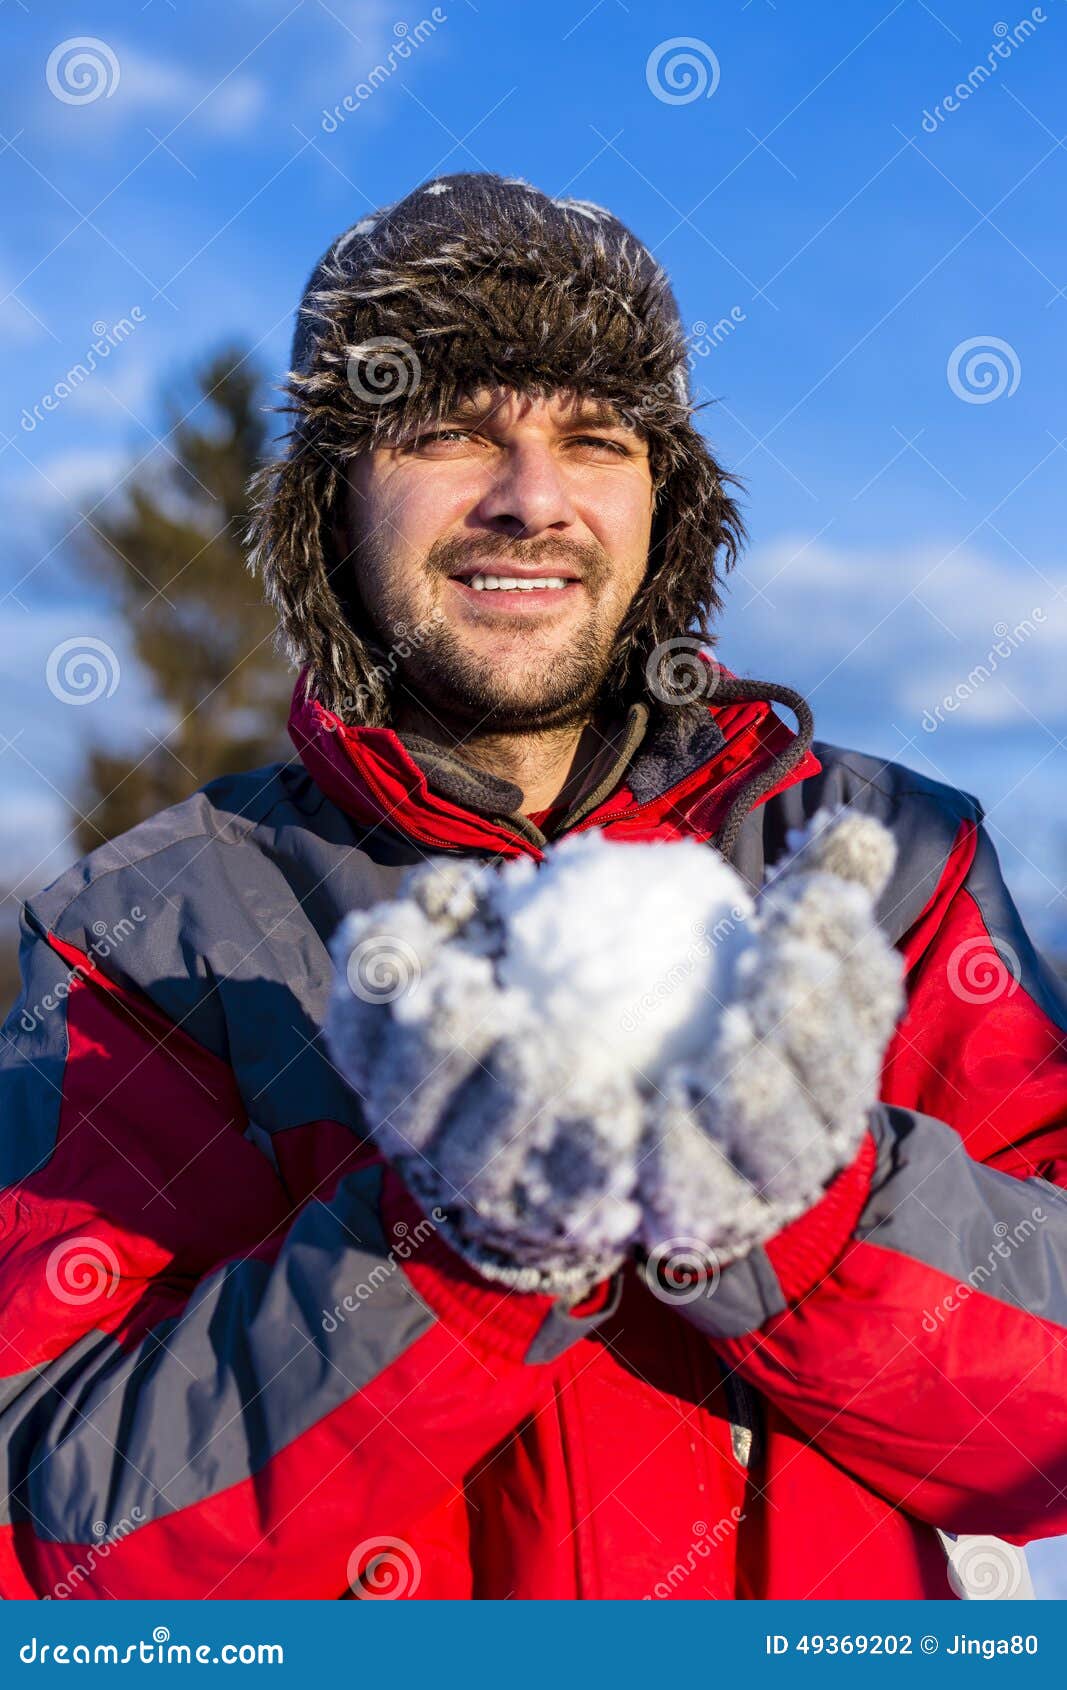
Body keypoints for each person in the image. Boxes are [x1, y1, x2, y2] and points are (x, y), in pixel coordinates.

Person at [1, 171, 1065, 1602]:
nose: (532, 499)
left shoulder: (883, 864)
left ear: (663, 504)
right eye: (449, 432)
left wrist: (801, 1207)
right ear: (331, 504)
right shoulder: (149, 931)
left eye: (594, 438)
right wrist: (452, 1246)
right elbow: (66, 1542)